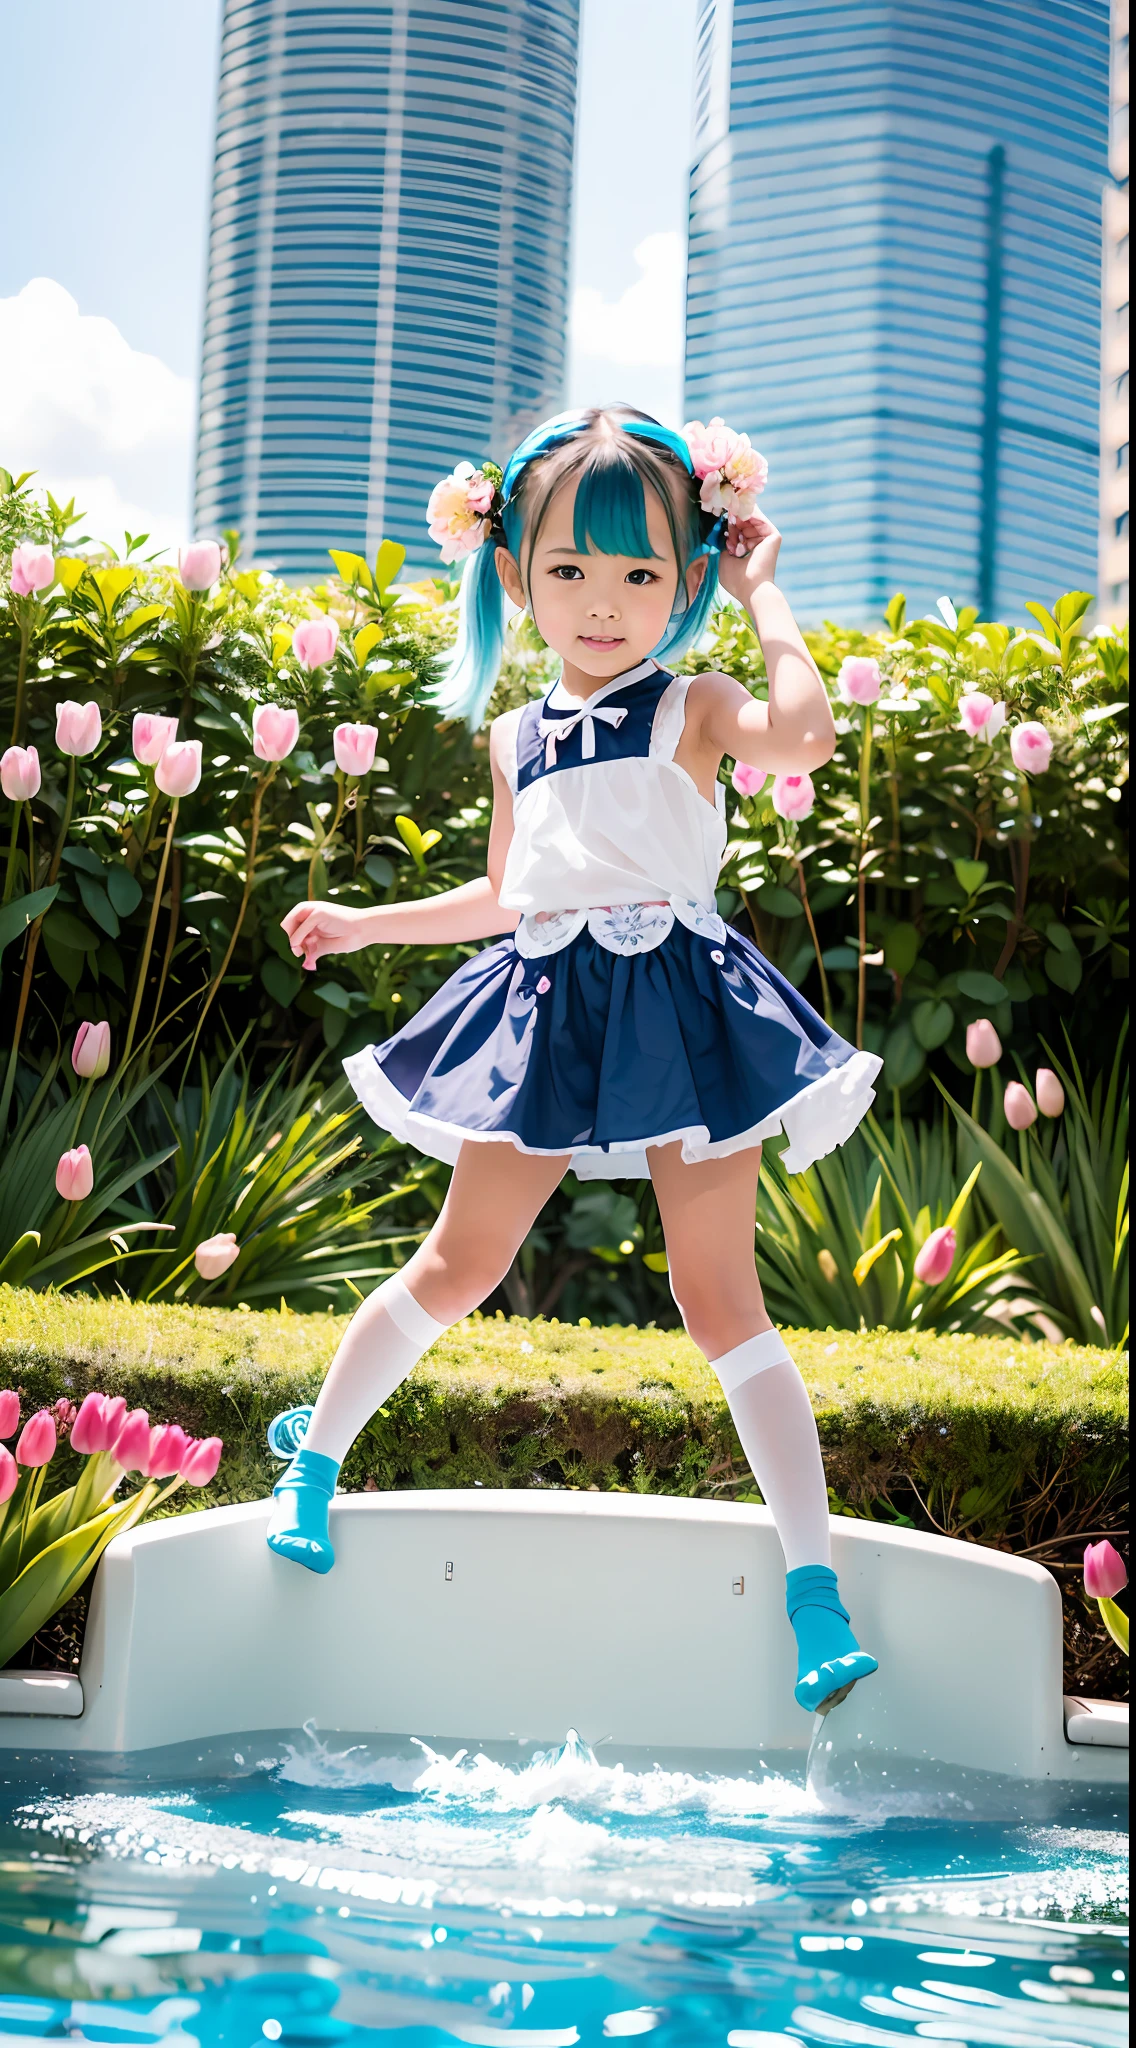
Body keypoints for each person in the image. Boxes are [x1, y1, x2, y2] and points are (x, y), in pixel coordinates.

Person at [267, 405, 882, 1715]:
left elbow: (807, 740)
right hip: (545, 1003)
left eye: (641, 572)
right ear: (514, 573)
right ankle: (311, 1464)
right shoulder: (516, 738)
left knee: (717, 1298)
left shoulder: (698, 704)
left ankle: (815, 1588)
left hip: (681, 1001)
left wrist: (772, 603)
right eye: (570, 570)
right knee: (462, 1260)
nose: (604, 602)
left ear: (688, 578)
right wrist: (369, 921)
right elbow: (508, 894)